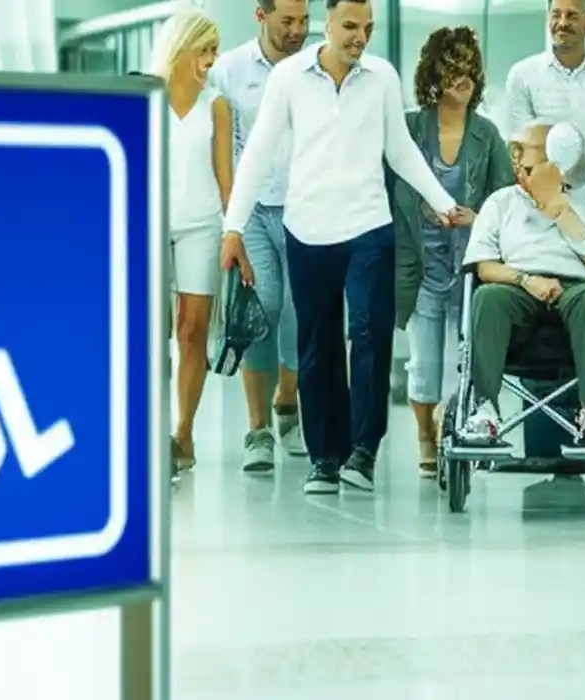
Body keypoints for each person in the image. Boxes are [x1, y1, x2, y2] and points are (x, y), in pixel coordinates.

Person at [219, 0, 465, 495]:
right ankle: (324, 458)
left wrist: (442, 202)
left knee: (370, 333)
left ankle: (363, 449)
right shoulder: (288, 77)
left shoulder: (381, 77)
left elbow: (399, 149)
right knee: (317, 344)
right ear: (326, 25)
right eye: (351, 26)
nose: (360, 37)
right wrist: (233, 228)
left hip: (369, 225)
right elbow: (259, 150)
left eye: (368, 28)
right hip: (307, 228)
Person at [460, 121, 585, 445]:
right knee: (487, 297)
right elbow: (484, 267)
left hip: (578, 290)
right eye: (515, 155)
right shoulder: (500, 203)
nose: (517, 164)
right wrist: (527, 280)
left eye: (527, 157)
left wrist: (561, 212)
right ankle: (484, 409)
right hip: (517, 287)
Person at [391, 26, 514, 477]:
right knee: (423, 364)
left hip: (468, 268)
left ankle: (449, 433)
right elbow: (388, 190)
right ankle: (425, 435)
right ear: (434, 74)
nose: (463, 78)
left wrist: (475, 216)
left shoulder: (487, 134)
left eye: (470, 69)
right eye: (453, 67)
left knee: (457, 364)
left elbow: (507, 205)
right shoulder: (408, 128)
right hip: (419, 265)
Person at [208, 0, 311, 472]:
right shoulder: (229, 70)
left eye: (304, 21)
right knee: (262, 309)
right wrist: (232, 222)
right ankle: (258, 430)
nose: (297, 31)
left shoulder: (315, 66)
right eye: (287, 21)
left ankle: (286, 404)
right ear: (260, 15)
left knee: (299, 315)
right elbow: (223, 149)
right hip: (251, 211)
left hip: (307, 210)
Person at [150, 7, 233, 472]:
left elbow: (226, 179)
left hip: (203, 225)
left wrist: (233, 233)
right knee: (154, 332)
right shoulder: (149, 93)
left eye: (214, 52)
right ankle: (151, 427)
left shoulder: (216, 104)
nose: (210, 60)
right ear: (181, 48)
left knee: (191, 332)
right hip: (153, 223)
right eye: (204, 50)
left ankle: (183, 434)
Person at [503, 0, 585, 223]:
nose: (562, 23)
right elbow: (519, 153)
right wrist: (547, 202)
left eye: (572, 15)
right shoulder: (522, 76)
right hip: (537, 211)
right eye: (556, 15)